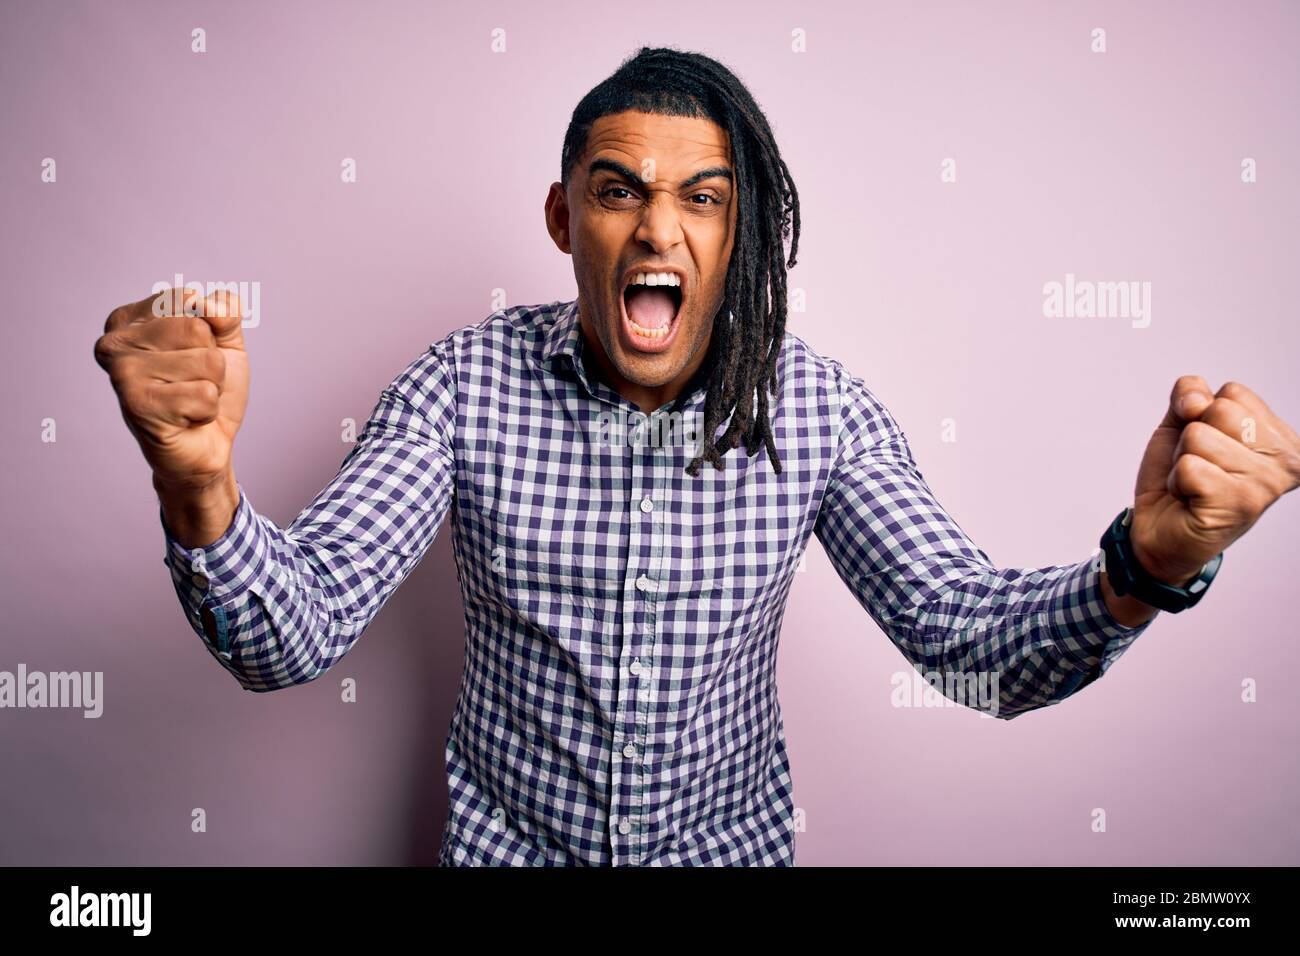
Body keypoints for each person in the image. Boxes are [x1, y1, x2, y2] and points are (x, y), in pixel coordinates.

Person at [92, 46, 1300, 866]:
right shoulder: (460, 385)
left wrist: (1150, 559)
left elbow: (971, 646)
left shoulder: (817, 410)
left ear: (742, 230)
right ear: (566, 220)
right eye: (618, 191)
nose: (658, 226)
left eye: (703, 199)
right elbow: (290, 635)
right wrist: (197, 482)